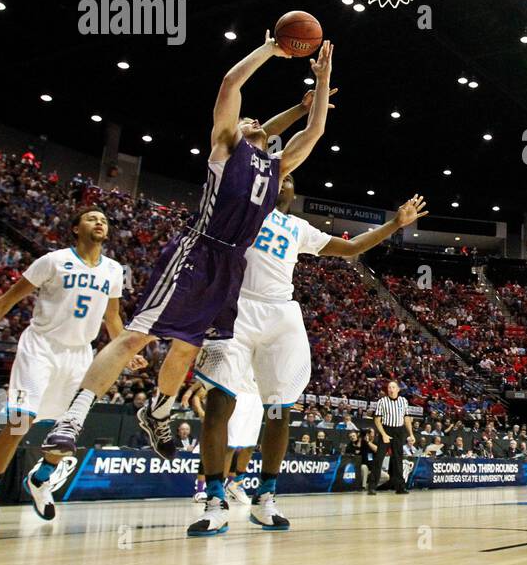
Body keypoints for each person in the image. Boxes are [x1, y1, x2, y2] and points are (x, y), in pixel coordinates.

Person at [38, 34, 333, 464]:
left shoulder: (276, 168)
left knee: (187, 348)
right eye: (248, 119)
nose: (251, 120)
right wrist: (270, 49)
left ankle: (158, 411)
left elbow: (316, 130)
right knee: (138, 334)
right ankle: (73, 417)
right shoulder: (225, 150)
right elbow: (231, 84)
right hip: (197, 252)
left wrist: (322, 82)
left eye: (257, 122)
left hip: (231, 266)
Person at [188, 102, 425, 536]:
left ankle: (266, 496)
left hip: (281, 313)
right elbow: (256, 142)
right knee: (220, 403)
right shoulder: (236, 195)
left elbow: (351, 249)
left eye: (292, 178)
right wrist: (303, 105)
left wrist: (395, 225)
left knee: (279, 408)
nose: (287, 178)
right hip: (234, 308)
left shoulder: (297, 228)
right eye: (283, 172)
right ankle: (215, 496)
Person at [0, 207, 128, 531]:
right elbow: (5, 302)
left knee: (66, 431)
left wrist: (123, 350)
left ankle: (42, 478)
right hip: (41, 346)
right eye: (91, 217)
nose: (100, 221)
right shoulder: (53, 261)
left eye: (104, 218)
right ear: (75, 228)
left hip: (80, 355)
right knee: (20, 423)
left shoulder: (114, 270)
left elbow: (112, 318)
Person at [369, 381, 414, 494]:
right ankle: (372, 486)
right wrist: (383, 434)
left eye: (393, 387)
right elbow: (377, 420)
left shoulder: (403, 401)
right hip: (386, 429)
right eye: (389, 387)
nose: (391, 389)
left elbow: (407, 418)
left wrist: (411, 434)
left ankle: (400, 487)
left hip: (399, 431)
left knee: (398, 460)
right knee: (379, 458)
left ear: (398, 389)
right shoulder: (382, 401)